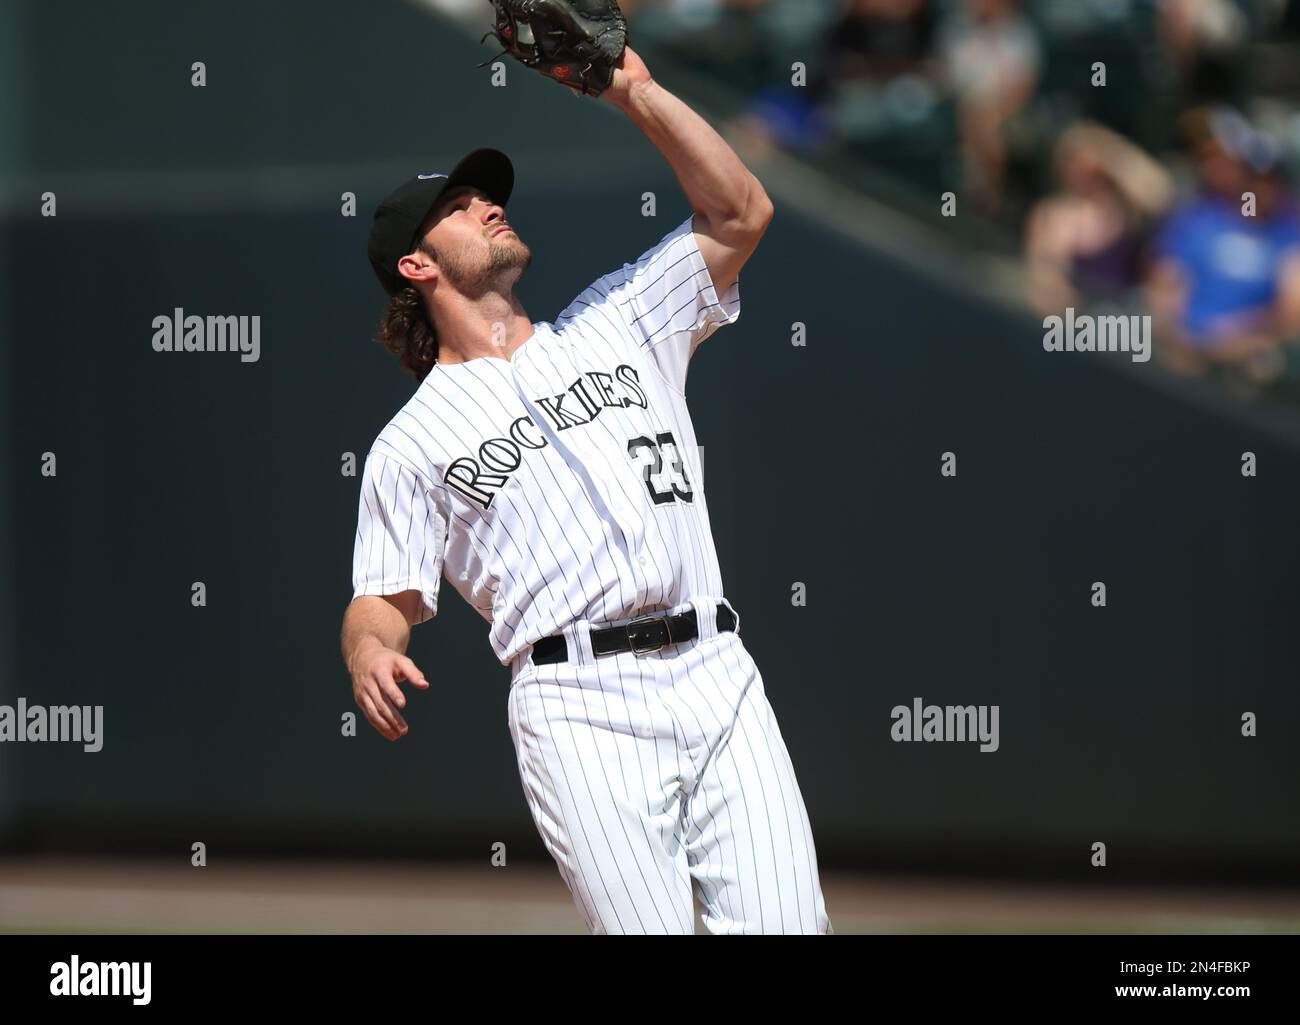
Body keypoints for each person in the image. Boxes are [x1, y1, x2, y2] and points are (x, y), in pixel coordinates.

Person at [340, 45, 832, 935]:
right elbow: (382, 597)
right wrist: (369, 650)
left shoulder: (620, 318)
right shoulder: (410, 443)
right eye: (457, 207)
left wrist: (633, 91)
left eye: (488, 195)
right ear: (417, 266)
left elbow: (739, 211)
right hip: (578, 702)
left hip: (716, 669)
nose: (489, 205)